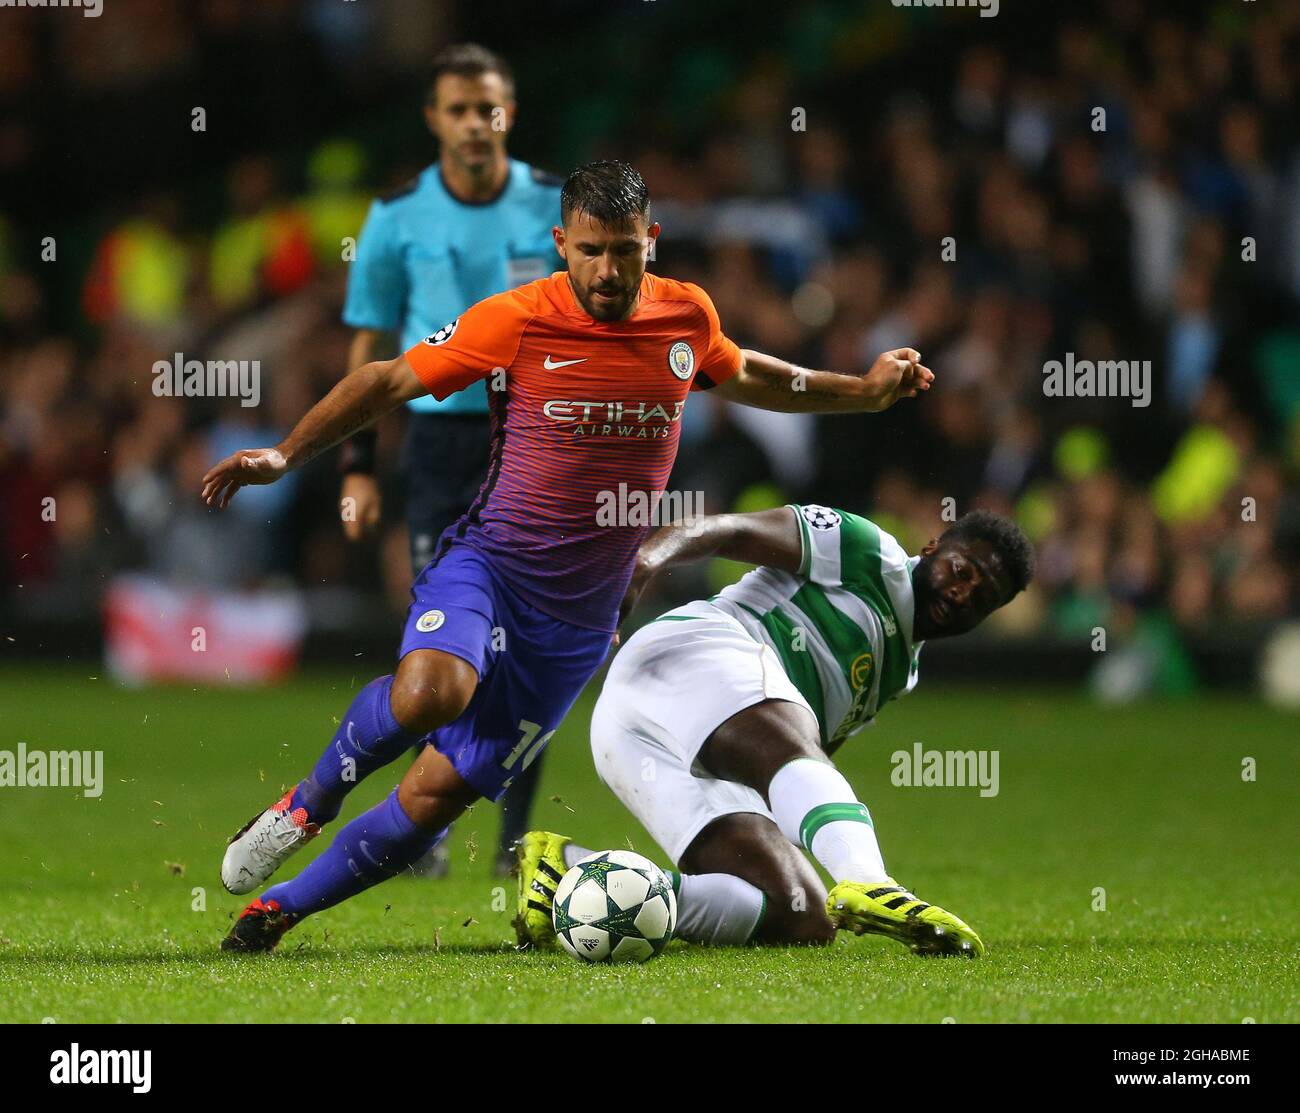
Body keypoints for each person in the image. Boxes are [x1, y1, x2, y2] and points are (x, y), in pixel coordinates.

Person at [203, 159, 933, 953]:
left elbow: (752, 371)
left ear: (651, 241)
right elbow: (385, 381)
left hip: (578, 623)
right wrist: (285, 454)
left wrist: (860, 390)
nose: (609, 269)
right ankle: (304, 805)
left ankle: (277, 910)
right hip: (491, 565)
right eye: (590, 250)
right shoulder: (516, 318)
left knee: (436, 792)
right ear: (561, 243)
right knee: (431, 692)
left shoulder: (685, 317)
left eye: (625, 249)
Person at [516, 506, 1034, 956]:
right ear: (933, 547)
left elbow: (810, 757)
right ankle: (873, 884)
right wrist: (648, 561)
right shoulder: (867, 549)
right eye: (961, 569)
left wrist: (785, 840)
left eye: (983, 597)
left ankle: (569, 877)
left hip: (634, 740)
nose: (963, 592)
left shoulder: (902, 673)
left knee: (800, 914)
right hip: (689, 656)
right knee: (791, 744)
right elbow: (726, 529)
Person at [340, 43, 560, 875]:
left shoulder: (550, 204)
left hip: (534, 439)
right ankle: (425, 826)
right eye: (460, 109)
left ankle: (515, 844)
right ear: (433, 118)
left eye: (490, 107)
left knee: (530, 638)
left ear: (510, 112)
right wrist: (356, 463)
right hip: (439, 442)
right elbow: (370, 341)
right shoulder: (397, 215)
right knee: (444, 642)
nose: (477, 122)